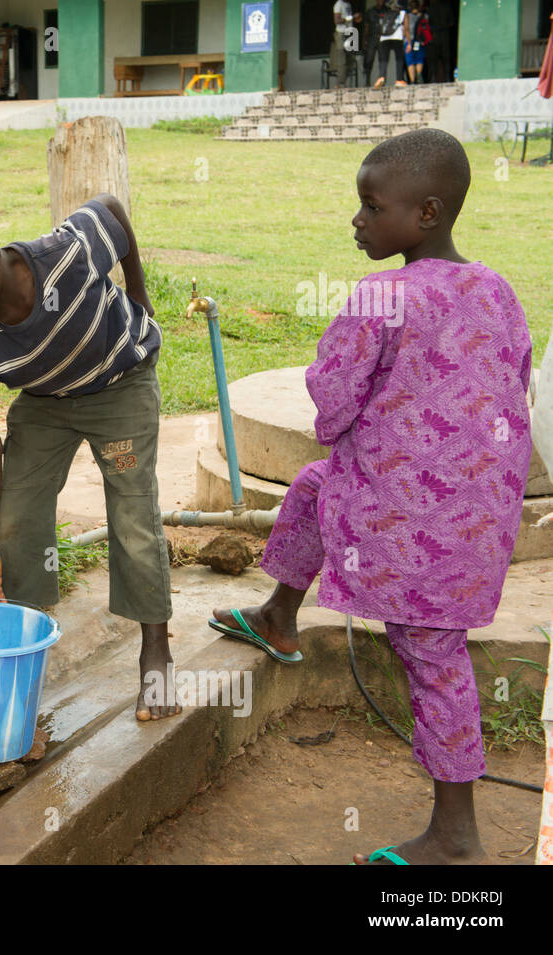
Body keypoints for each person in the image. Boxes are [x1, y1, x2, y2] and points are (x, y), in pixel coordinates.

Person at [211, 128, 532, 864]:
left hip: (412, 529)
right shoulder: (496, 290)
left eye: (369, 206)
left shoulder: (380, 294)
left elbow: (330, 406)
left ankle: (456, 838)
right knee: (316, 486)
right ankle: (279, 615)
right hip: (479, 523)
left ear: (425, 212)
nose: (356, 220)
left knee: (431, 651)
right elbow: (515, 386)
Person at [0, 197, 181, 722]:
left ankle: (156, 658)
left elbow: (115, 210)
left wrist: (139, 295)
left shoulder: (69, 252)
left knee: (133, 517)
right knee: (16, 520)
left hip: (121, 385)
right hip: (46, 404)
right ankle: (22, 653)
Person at [373, 0, 408, 87]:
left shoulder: (384, 12)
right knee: (399, 58)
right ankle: (399, 80)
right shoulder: (403, 13)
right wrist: (409, 42)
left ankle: (381, 77)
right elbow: (406, 29)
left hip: (384, 38)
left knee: (383, 60)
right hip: (397, 37)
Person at [330, 0, 358, 88]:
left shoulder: (348, 4)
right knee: (341, 57)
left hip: (350, 33)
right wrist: (352, 17)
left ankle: (343, 82)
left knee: (350, 58)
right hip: (341, 33)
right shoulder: (339, 4)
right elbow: (337, 20)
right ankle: (340, 83)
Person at [425, 0, 454, 82]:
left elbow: (427, 22)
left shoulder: (430, 8)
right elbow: (451, 22)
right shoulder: (447, 7)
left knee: (433, 58)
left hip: (434, 34)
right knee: (446, 58)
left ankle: (433, 78)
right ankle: (448, 77)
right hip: (445, 34)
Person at [404, 0, 429, 84]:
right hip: (420, 41)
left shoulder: (407, 16)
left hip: (409, 42)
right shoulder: (424, 16)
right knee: (419, 59)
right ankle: (419, 74)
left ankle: (412, 81)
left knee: (410, 61)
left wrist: (409, 43)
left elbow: (406, 29)